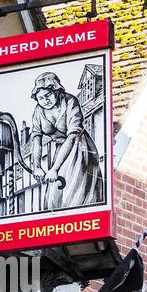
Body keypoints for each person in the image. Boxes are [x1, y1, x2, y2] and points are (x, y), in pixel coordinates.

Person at [29, 71, 103, 211]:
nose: (45, 100)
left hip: (79, 148)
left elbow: (72, 136)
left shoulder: (70, 102)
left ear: (56, 91)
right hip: (61, 150)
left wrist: (55, 169)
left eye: (48, 95)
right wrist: (37, 166)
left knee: (77, 189)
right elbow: (36, 140)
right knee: (55, 193)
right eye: (41, 98)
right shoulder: (38, 111)